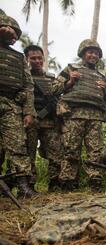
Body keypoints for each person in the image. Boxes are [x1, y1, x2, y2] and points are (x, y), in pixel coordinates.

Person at [51, 39, 106, 192]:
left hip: (95, 117)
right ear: (83, 53)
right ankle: (67, 182)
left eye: (97, 53)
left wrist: (105, 90)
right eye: (90, 52)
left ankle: (95, 182)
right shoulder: (71, 69)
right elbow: (53, 89)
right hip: (74, 115)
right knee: (71, 149)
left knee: (95, 151)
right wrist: (70, 81)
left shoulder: (101, 76)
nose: (94, 55)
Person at [0, 14, 37, 197]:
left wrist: (28, 112)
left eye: (16, 33)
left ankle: (23, 186)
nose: (12, 35)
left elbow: (28, 85)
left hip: (11, 104)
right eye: (9, 30)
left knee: (17, 146)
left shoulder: (19, 57)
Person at [24, 44, 64, 191]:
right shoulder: (24, 77)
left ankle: (54, 184)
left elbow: (59, 99)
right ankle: (28, 185)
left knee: (56, 154)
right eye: (32, 58)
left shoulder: (52, 79)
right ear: (27, 59)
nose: (36, 61)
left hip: (49, 122)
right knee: (29, 153)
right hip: (31, 121)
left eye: (39, 58)